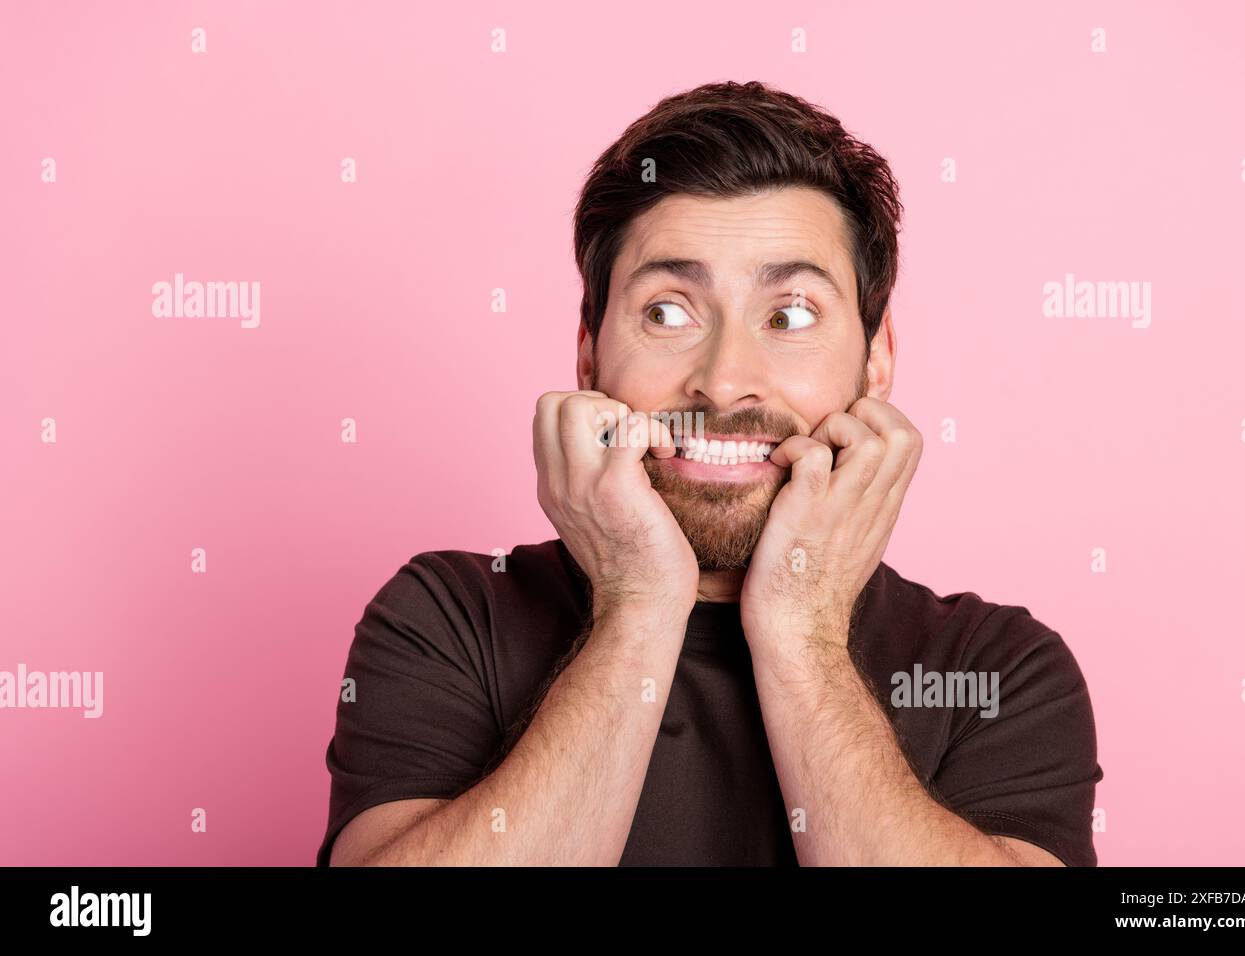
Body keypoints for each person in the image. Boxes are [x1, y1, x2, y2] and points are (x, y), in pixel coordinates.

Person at [317, 80, 1102, 867]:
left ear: (878, 357)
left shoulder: (994, 668)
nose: (724, 382)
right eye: (667, 311)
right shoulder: (448, 621)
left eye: (789, 316)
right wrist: (636, 606)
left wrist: (803, 628)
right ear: (589, 353)